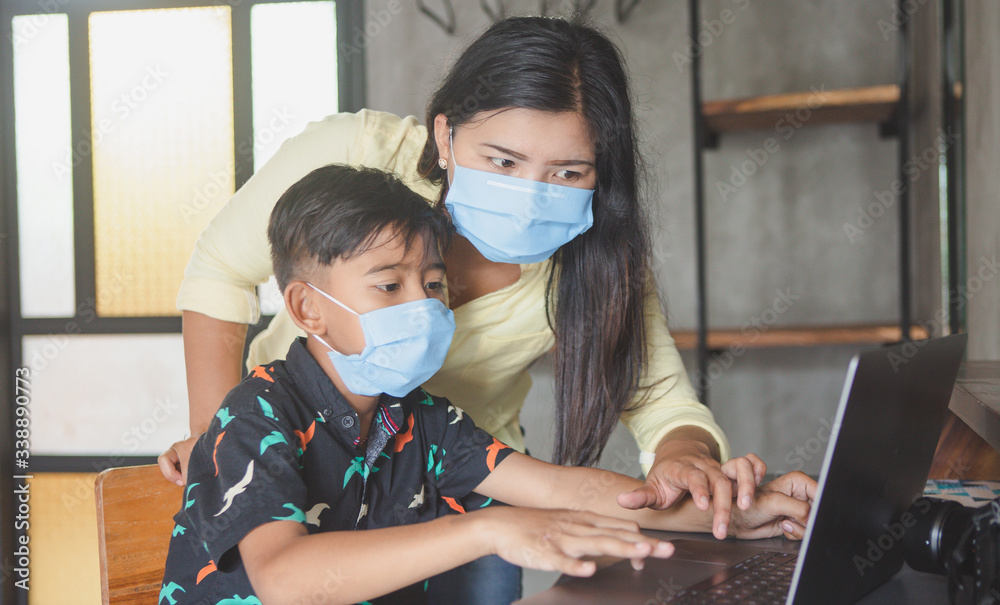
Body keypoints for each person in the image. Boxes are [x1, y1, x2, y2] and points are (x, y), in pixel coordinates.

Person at [161, 15, 766, 604]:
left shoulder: (434, 424)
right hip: (296, 457)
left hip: (454, 484)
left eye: (568, 172)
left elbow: (578, 480)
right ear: (445, 136)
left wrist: (732, 511)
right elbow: (288, 580)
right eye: (504, 161)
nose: (531, 199)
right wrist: (213, 440)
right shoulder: (259, 420)